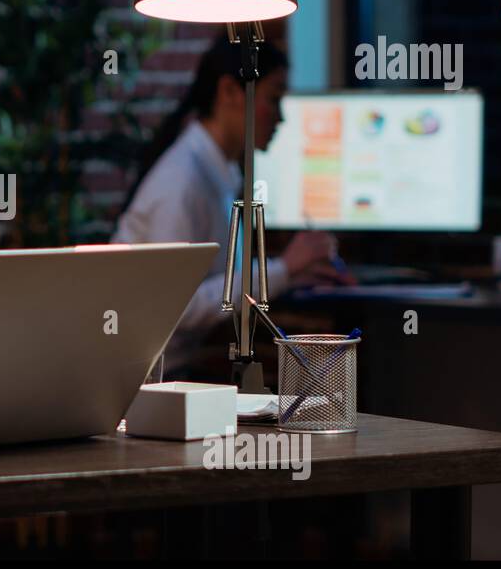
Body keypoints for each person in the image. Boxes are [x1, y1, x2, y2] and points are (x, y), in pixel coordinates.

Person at [112, 37, 350, 379]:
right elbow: (176, 308)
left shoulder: (217, 171)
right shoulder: (181, 183)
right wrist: (281, 270)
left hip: (168, 371)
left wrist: (290, 272)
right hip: (146, 380)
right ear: (229, 92)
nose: (281, 117)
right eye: (274, 98)